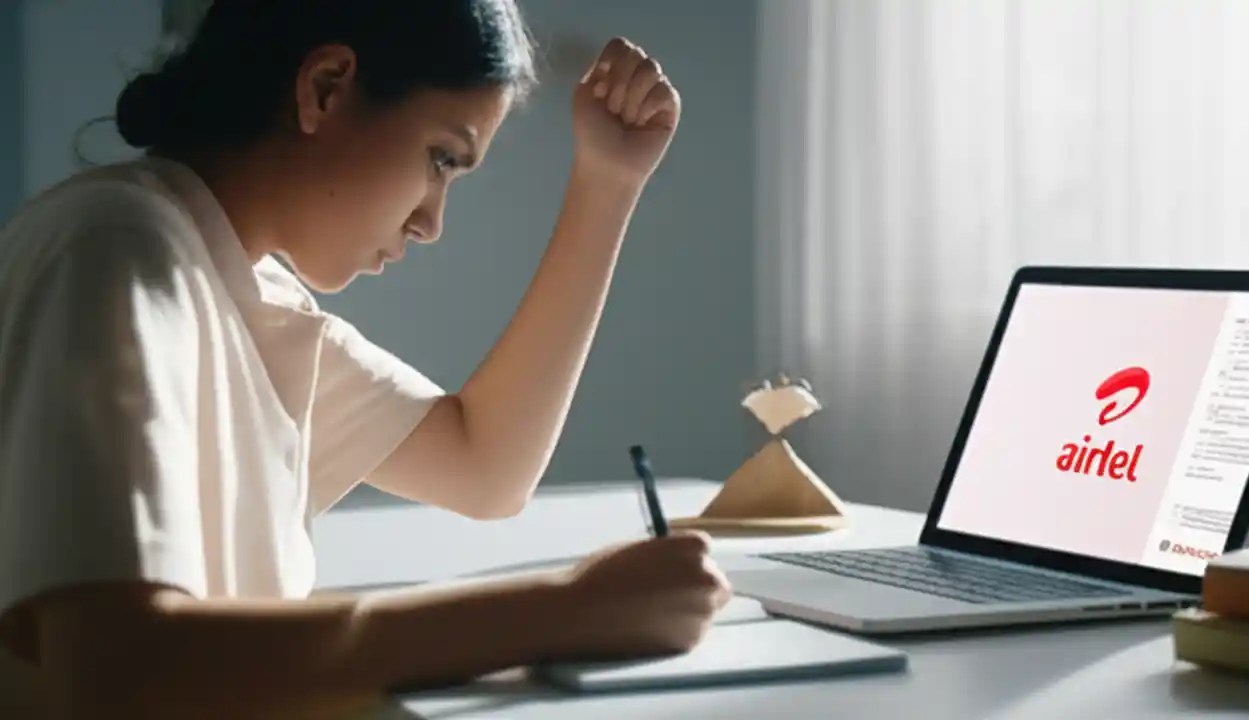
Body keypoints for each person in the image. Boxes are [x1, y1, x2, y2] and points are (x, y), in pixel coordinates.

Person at [0, 1, 731, 716]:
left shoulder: (246, 288)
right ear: (325, 88)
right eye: (441, 159)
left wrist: (607, 184)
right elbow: (114, 667)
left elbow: (485, 463)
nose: (431, 222)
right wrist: (563, 613)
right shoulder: (115, 248)